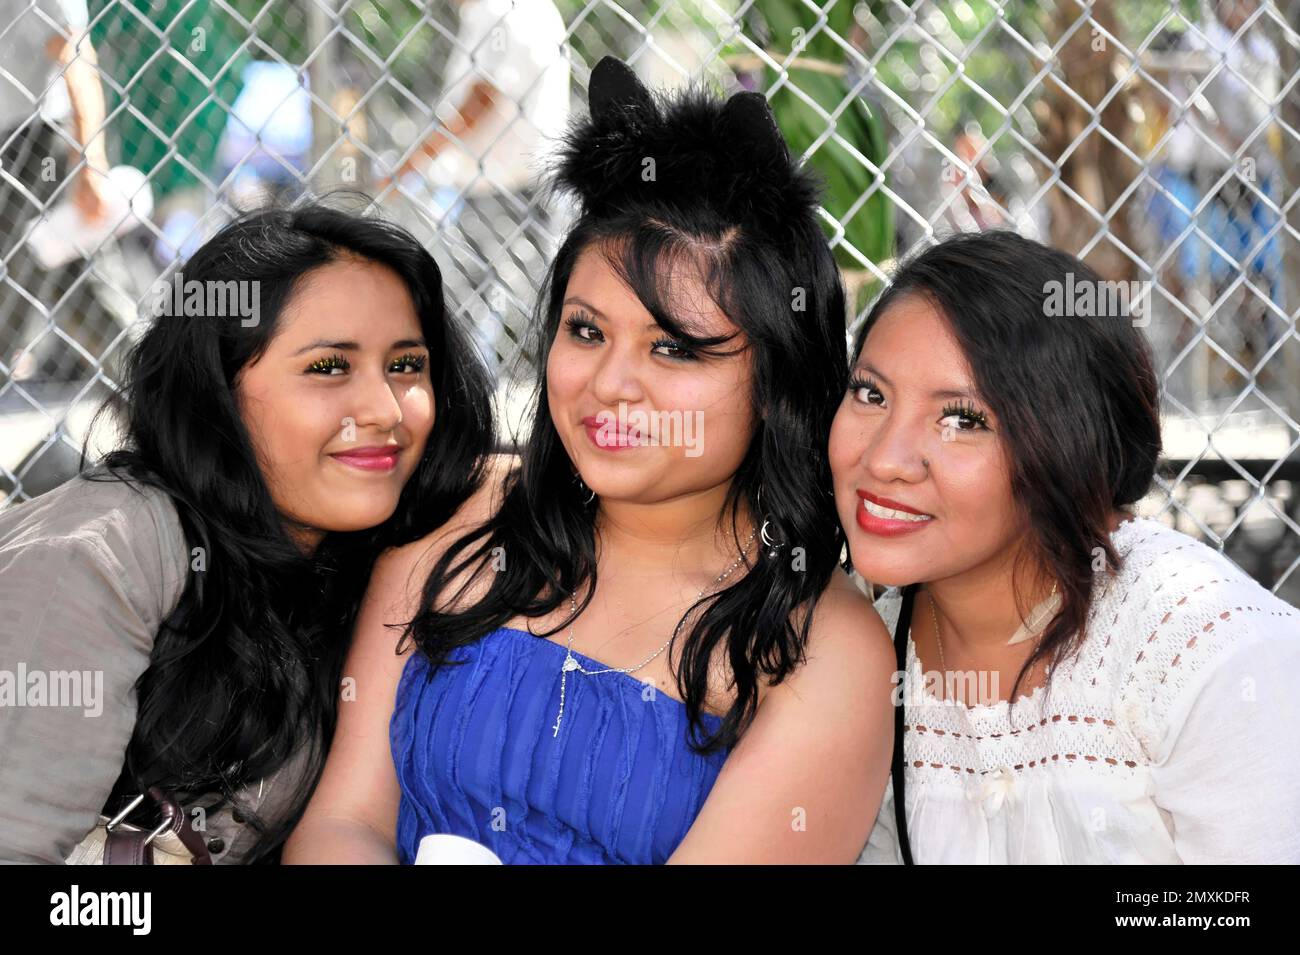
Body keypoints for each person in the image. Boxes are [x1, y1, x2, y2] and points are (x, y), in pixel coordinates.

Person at [285, 57, 895, 865]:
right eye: (585, 330)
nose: (610, 384)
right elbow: (343, 822)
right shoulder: (458, 517)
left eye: (675, 347)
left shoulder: (824, 647)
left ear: (777, 381)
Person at [0, 201, 497, 863]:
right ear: (218, 389)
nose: (384, 410)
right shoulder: (106, 554)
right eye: (328, 367)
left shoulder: (364, 559)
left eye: (406, 366)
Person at [828, 230, 1300, 864]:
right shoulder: (866, 653)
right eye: (871, 393)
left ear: (1066, 445)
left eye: (963, 419)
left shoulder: (1202, 651)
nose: (883, 460)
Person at [382, 0, 571, 380]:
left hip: (503, 186)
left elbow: (481, 100)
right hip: (524, 181)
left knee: (469, 307)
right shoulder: (528, 8)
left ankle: (466, 405)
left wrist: (410, 164)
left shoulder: (495, 10)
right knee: (536, 301)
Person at [0, 0, 135, 383]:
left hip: (33, 148)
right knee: (79, 296)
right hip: (18, 151)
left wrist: (89, 163)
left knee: (88, 293)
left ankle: (172, 405)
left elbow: (75, 56)